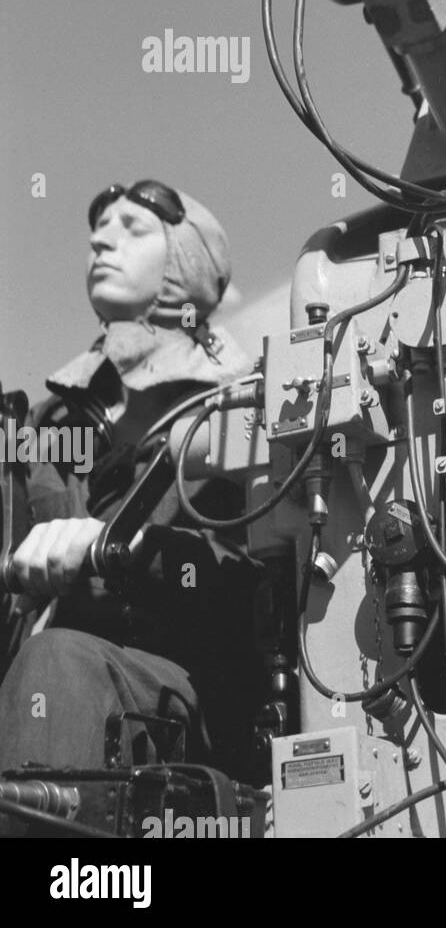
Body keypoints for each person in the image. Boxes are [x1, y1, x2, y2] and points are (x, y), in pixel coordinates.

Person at [0, 180, 262, 800]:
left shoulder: (247, 404)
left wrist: (134, 550)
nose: (99, 239)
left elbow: (267, 585)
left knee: (57, 665)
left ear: (186, 260)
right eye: (99, 228)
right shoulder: (42, 425)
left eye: (132, 228)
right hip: (43, 696)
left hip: (192, 695)